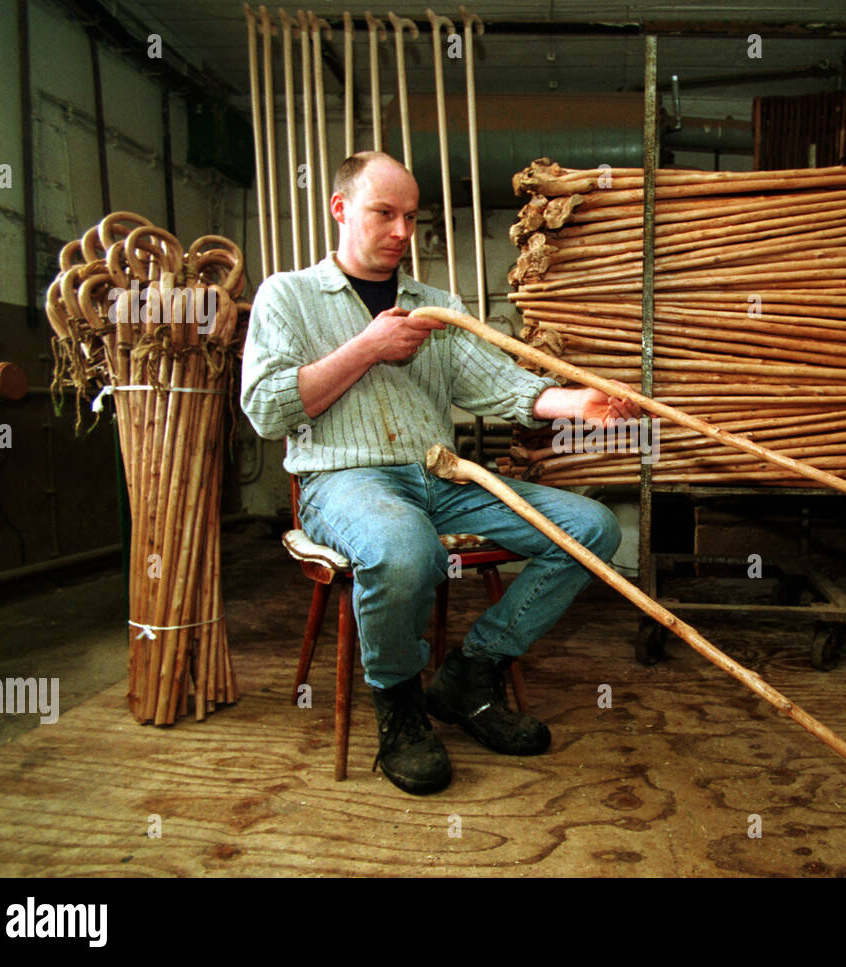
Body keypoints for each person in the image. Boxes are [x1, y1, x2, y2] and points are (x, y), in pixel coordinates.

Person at [241, 151, 639, 795]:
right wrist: (366, 348)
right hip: (342, 483)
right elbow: (266, 410)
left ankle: (470, 674)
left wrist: (576, 402)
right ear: (340, 209)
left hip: (442, 477)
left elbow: (498, 382)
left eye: (409, 216)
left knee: (590, 529)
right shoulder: (288, 296)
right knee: (403, 549)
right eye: (384, 214)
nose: (402, 231)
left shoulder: (434, 305)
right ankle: (398, 707)